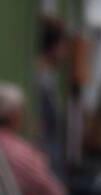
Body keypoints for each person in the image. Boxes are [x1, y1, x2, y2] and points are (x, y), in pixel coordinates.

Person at [34, 14, 69, 174]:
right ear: (55, 46)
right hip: (44, 165)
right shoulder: (40, 80)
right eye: (64, 45)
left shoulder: (48, 79)